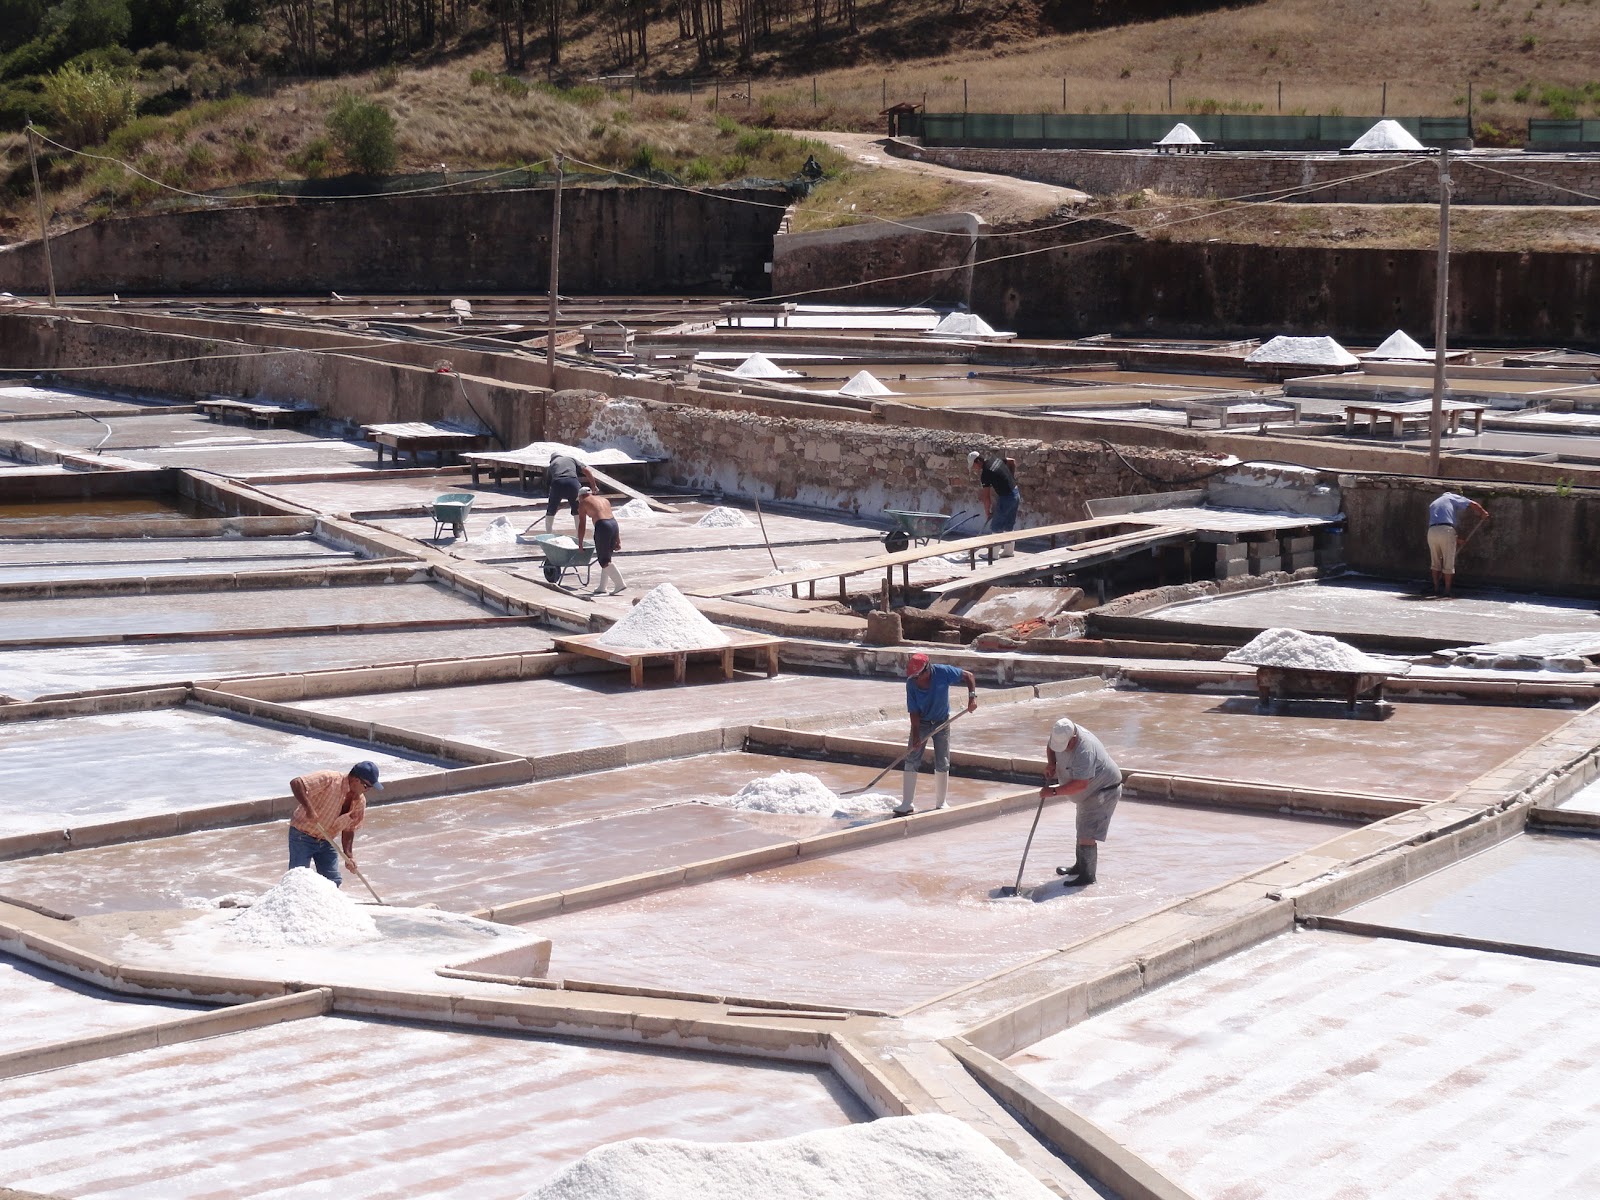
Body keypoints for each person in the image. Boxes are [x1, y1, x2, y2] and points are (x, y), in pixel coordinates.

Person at [894, 652, 978, 816]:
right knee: (911, 759)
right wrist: (916, 734)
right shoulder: (911, 683)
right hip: (922, 722)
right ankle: (907, 803)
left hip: (941, 722)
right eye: (914, 676)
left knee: (942, 760)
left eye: (919, 676)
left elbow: (969, 676)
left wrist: (972, 698)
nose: (917, 679)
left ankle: (941, 802)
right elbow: (913, 711)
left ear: (927, 669)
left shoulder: (943, 672)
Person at [1041, 717, 1122, 887]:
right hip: (1089, 791)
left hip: (1103, 790)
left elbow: (1080, 784)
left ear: (1074, 738)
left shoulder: (1085, 750)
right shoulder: (1060, 733)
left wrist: (1053, 791)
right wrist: (1051, 763)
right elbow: (1050, 746)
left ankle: (1087, 876)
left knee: (1087, 834)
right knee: (1082, 828)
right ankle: (1080, 866)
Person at [288, 761, 382, 887]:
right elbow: (296, 783)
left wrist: (349, 856)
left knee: (333, 880)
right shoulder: (329, 779)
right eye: (367, 786)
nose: (368, 790)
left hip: (326, 840)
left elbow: (349, 829)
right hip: (302, 835)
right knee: (298, 879)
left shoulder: (360, 802)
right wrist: (309, 809)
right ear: (355, 780)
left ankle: (324, 905)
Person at [1426, 490, 1490, 597]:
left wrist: (1456, 540)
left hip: (1431, 532)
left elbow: (1440, 525)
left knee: (1435, 561)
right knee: (1448, 562)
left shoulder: (1434, 503)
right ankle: (1447, 590)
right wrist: (1483, 512)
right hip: (1446, 531)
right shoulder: (1451, 497)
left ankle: (1436, 588)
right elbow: (1471, 503)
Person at [968, 450, 1021, 557]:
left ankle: (993, 555)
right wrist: (1011, 478)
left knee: (996, 526)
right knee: (1008, 525)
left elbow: (986, 496)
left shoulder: (986, 473)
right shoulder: (995, 459)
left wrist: (987, 512)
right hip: (1015, 493)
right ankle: (1008, 551)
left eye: (974, 465)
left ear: (978, 461)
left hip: (1006, 497)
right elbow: (1012, 461)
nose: (975, 468)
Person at [576, 485, 625, 594]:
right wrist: (618, 539)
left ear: (581, 496)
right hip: (613, 524)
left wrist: (580, 543)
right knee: (607, 557)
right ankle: (602, 587)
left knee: (603, 560)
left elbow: (582, 525)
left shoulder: (583, 503)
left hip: (602, 526)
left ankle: (619, 584)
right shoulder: (604, 500)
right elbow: (612, 518)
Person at [539, 453, 594, 535]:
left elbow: (548, 484)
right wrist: (594, 486)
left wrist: (554, 503)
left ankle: (548, 534)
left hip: (557, 483)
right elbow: (587, 471)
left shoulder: (552, 465)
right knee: (577, 510)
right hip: (573, 483)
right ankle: (579, 536)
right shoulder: (571, 459)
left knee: (551, 511)